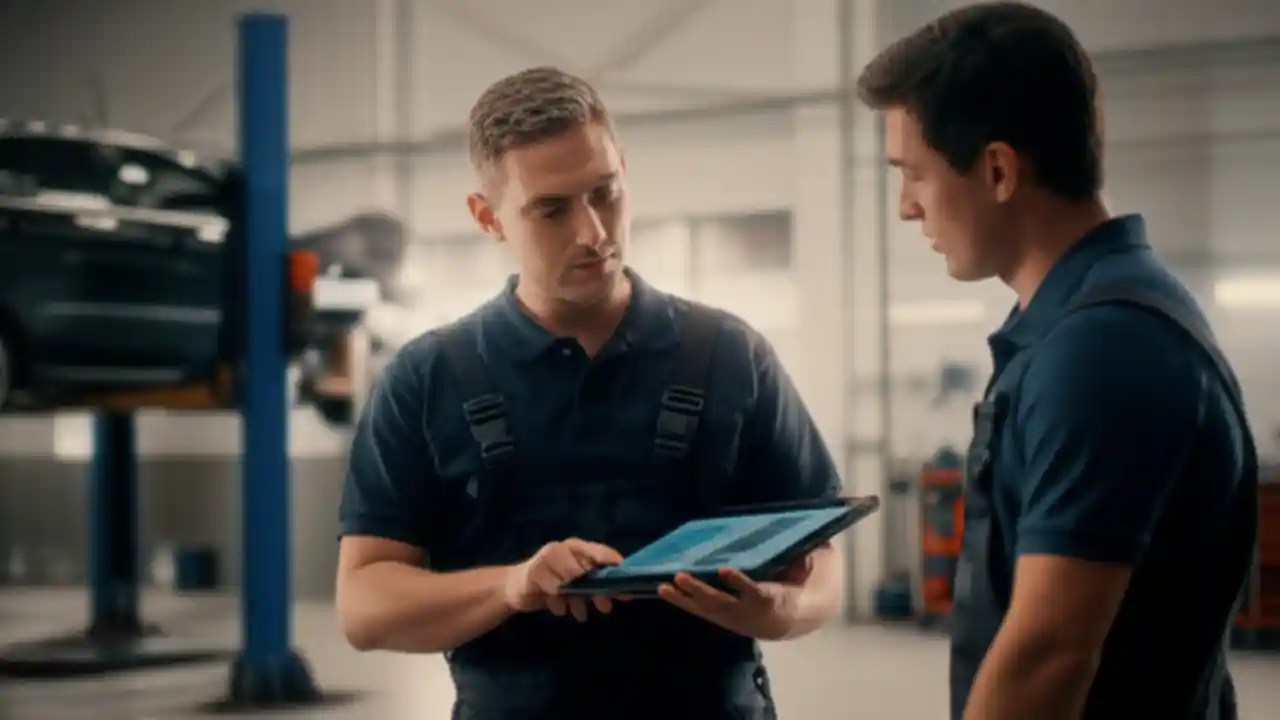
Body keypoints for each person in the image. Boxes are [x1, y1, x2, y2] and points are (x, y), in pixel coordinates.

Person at [334, 66, 846, 719]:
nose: (593, 233)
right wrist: (513, 585)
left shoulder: (729, 355)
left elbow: (821, 558)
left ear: (624, 170)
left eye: (605, 193)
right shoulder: (426, 378)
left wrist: (783, 610)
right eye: (552, 209)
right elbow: (364, 604)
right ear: (488, 217)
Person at [856, 3, 1259, 719]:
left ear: (999, 169)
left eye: (912, 174)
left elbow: (1048, 656)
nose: (905, 208)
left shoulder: (1103, 351)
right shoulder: (1089, 323)